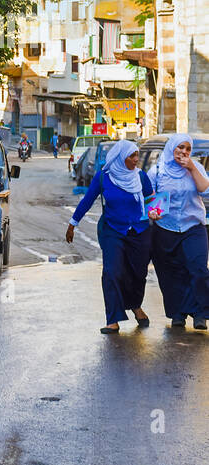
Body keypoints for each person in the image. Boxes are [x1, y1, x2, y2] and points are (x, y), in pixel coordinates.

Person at [65, 139, 152, 334]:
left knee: (138, 273)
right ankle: (113, 319)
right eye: (132, 156)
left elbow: (152, 200)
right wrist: (73, 223)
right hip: (113, 230)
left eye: (137, 155)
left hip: (139, 231)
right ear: (121, 157)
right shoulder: (104, 177)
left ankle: (136, 306)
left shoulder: (141, 177)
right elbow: (87, 200)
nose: (136, 159)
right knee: (112, 272)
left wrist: (156, 211)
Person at [149, 134, 209, 329]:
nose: (184, 152)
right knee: (171, 272)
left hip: (193, 226)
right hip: (166, 228)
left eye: (187, 149)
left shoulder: (196, 168)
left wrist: (191, 167)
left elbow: (203, 189)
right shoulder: (158, 170)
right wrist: (152, 212)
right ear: (172, 148)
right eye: (180, 148)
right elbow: (150, 198)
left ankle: (200, 313)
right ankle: (178, 313)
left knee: (198, 268)